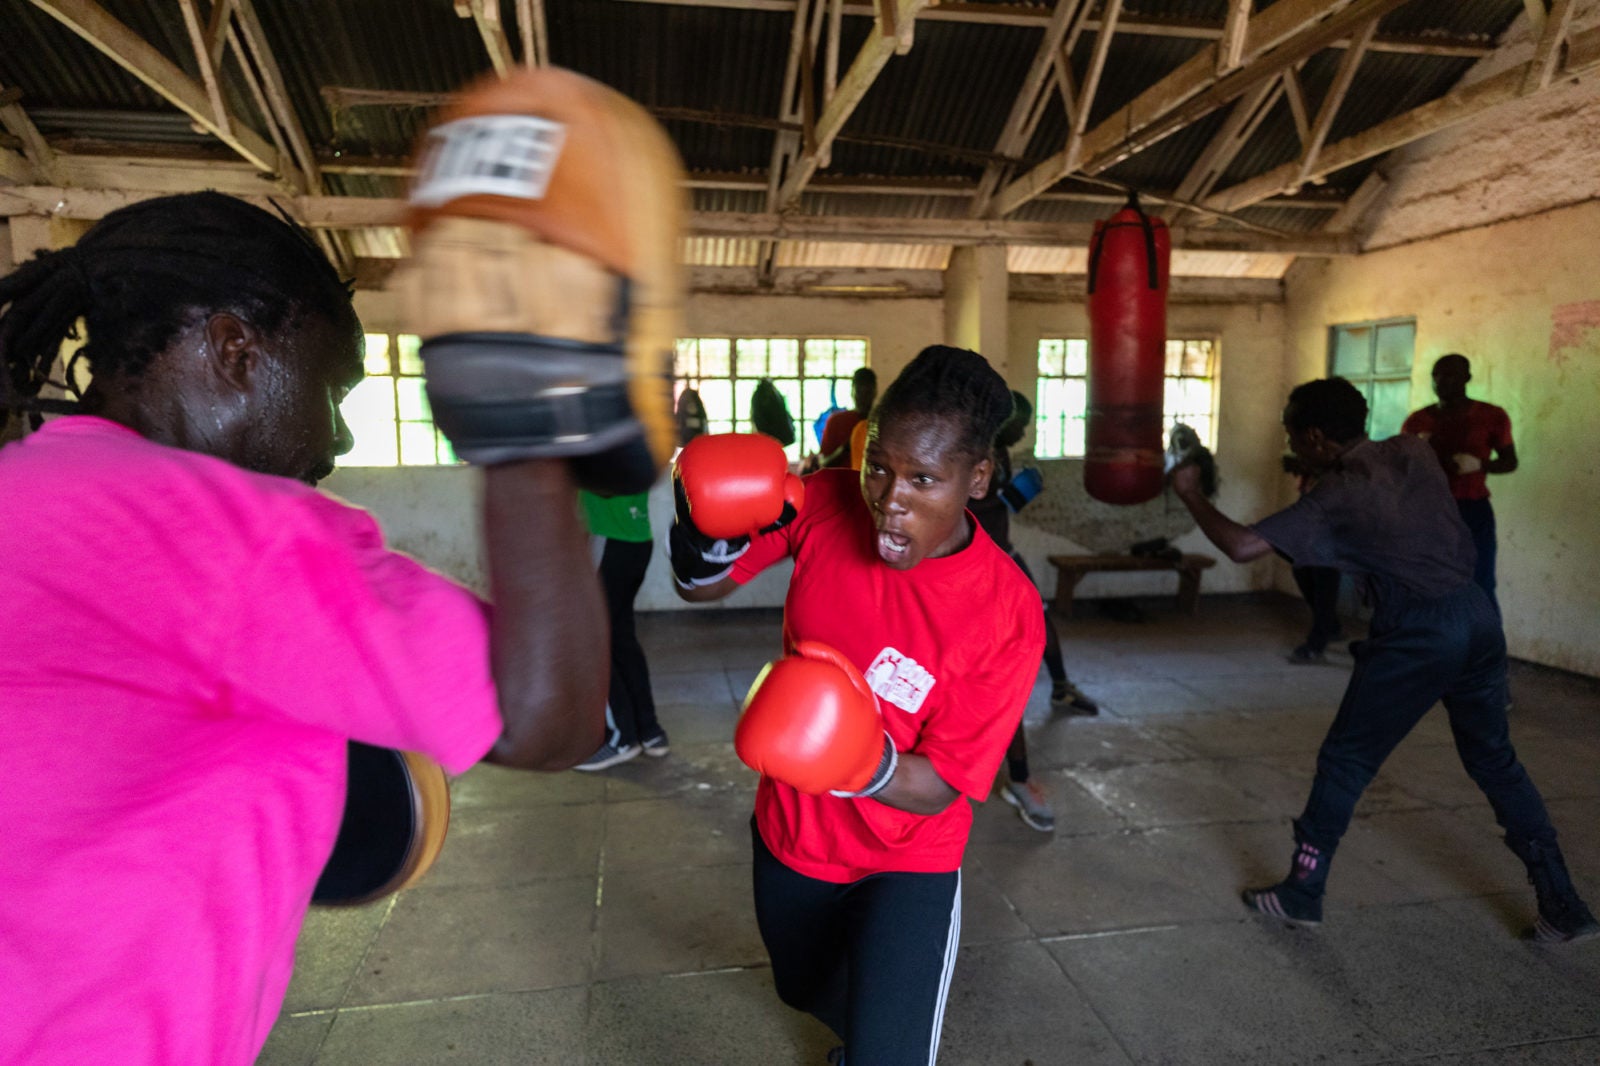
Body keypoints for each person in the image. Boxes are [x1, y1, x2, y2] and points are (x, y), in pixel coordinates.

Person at [0, 193, 610, 1064]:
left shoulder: (22, 489)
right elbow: (552, 719)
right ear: (234, 348)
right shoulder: (227, 535)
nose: (335, 435)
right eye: (330, 390)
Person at [670, 346, 1044, 1063]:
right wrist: (697, 523)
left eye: (923, 479)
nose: (889, 498)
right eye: (880, 465)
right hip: (792, 837)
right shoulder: (826, 502)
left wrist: (860, 761)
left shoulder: (1006, 612)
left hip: (908, 861)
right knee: (803, 989)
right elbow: (700, 587)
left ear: (978, 478)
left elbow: (939, 787)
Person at [1169, 377, 1596, 944]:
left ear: (1317, 437)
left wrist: (1191, 492)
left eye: (1294, 435)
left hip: (1419, 631)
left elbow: (1244, 546)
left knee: (1347, 759)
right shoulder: (1412, 449)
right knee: (1496, 761)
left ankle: (1302, 890)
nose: (1292, 444)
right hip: (1477, 616)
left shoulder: (1334, 496)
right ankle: (1562, 905)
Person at [970, 390, 1099, 833]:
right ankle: (1018, 777)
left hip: (1005, 555)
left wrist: (1017, 493)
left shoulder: (999, 449)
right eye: (1019, 422)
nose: (1024, 431)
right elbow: (963, 508)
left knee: (1040, 624)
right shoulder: (970, 448)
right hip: (975, 565)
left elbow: (995, 507)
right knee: (993, 676)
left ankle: (1061, 685)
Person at [1401, 353, 1517, 611]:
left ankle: (1484, 650)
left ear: (1467, 378)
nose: (1442, 381)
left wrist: (1480, 464)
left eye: (1450, 374)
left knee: (1480, 583)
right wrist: (1417, 454)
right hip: (1429, 510)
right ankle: (1435, 646)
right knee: (1426, 583)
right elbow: (1400, 470)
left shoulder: (1491, 416)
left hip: (1471, 509)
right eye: (1437, 375)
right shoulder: (1417, 421)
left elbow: (1511, 462)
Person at [575, 488, 669, 769]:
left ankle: (621, 738)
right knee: (619, 636)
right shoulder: (632, 442)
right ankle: (649, 731)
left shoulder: (592, 443)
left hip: (608, 538)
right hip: (637, 539)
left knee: (592, 641)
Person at [1281, 453, 1345, 664]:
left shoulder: (1342, 460)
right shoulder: (1315, 470)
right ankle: (1332, 626)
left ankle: (1316, 644)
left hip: (1331, 528)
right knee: (1302, 571)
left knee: (1324, 583)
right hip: (1314, 524)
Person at [817, 366, 878, 469]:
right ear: (852, 392)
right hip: (841, 484)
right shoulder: (836, 422)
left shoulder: (882, 424)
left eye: (867, 393)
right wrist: (845, 448)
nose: (863, 399)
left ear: (874, 393)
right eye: (859, 392)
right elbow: (823, 463)